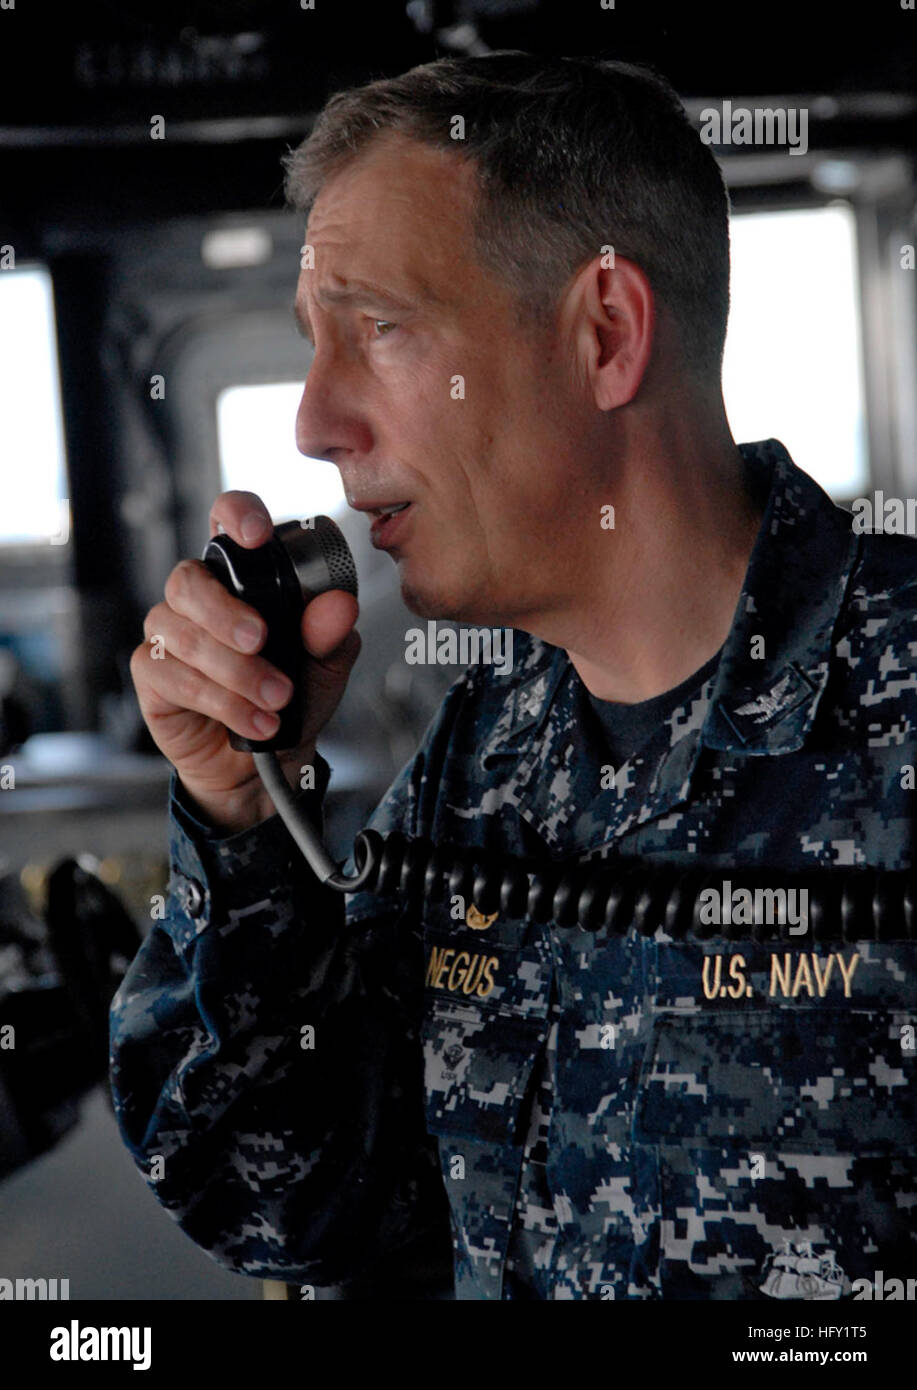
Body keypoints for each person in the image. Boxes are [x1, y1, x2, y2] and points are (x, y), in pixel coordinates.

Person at [110, 51, 917, 1300]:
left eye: (377, 328)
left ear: (603, 333)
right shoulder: (486, 756)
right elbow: (287, 1204)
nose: (314, 423)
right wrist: (240, 810)